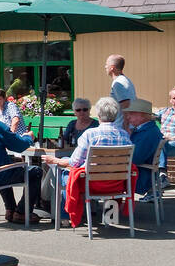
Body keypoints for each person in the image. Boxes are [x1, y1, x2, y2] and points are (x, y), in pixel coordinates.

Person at [41, 96, 131, 228]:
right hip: (116, 183)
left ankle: (66, 216)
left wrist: (55, 161)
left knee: (65, 173)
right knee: (66, 165)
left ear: (98, 114)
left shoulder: (90, 134)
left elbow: (74, 163)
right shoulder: (124, 135)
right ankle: (110, 218)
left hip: (91, 183)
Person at [123, 98, 162, 199]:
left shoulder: (148, 133)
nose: (127, 117)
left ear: (142, 114)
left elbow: (135, 158)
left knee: (100, 178)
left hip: (139, 177)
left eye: (131, 113)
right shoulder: (148, 129)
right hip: (138, 173)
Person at [105, 54, 136, 129]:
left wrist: (126, 127)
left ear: (112, 68)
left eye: (106, 64)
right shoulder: (125, 80)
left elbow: (126, 105)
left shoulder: (118, 83)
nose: (105, 67)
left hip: (122, 127)